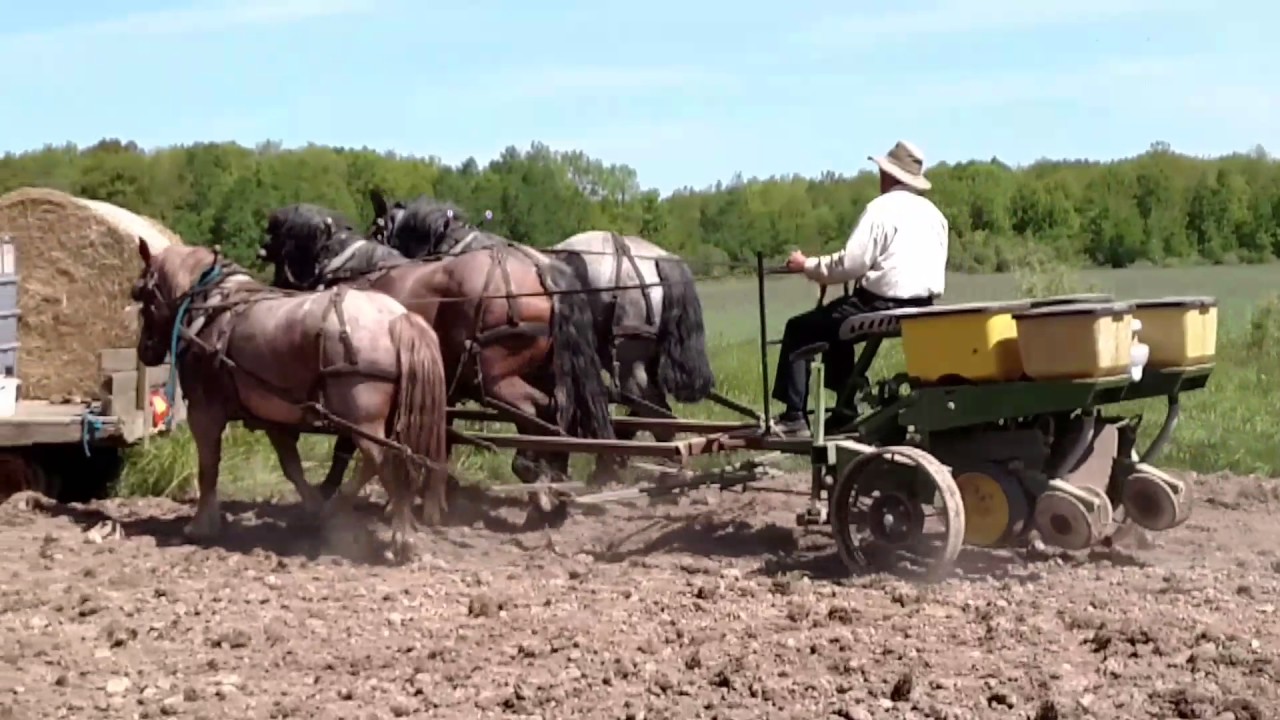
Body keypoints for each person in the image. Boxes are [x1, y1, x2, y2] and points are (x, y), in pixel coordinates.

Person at [771, 140, 950, 438]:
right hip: (922, 306)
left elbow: (850, 264)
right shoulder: (935, 215)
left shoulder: (881, 209)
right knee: (835, 320)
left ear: (890, 175)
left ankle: (794, 417)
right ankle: (845, 407)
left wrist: (807, 265)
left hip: (879, 305)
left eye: (882, 171)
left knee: (800, 330)